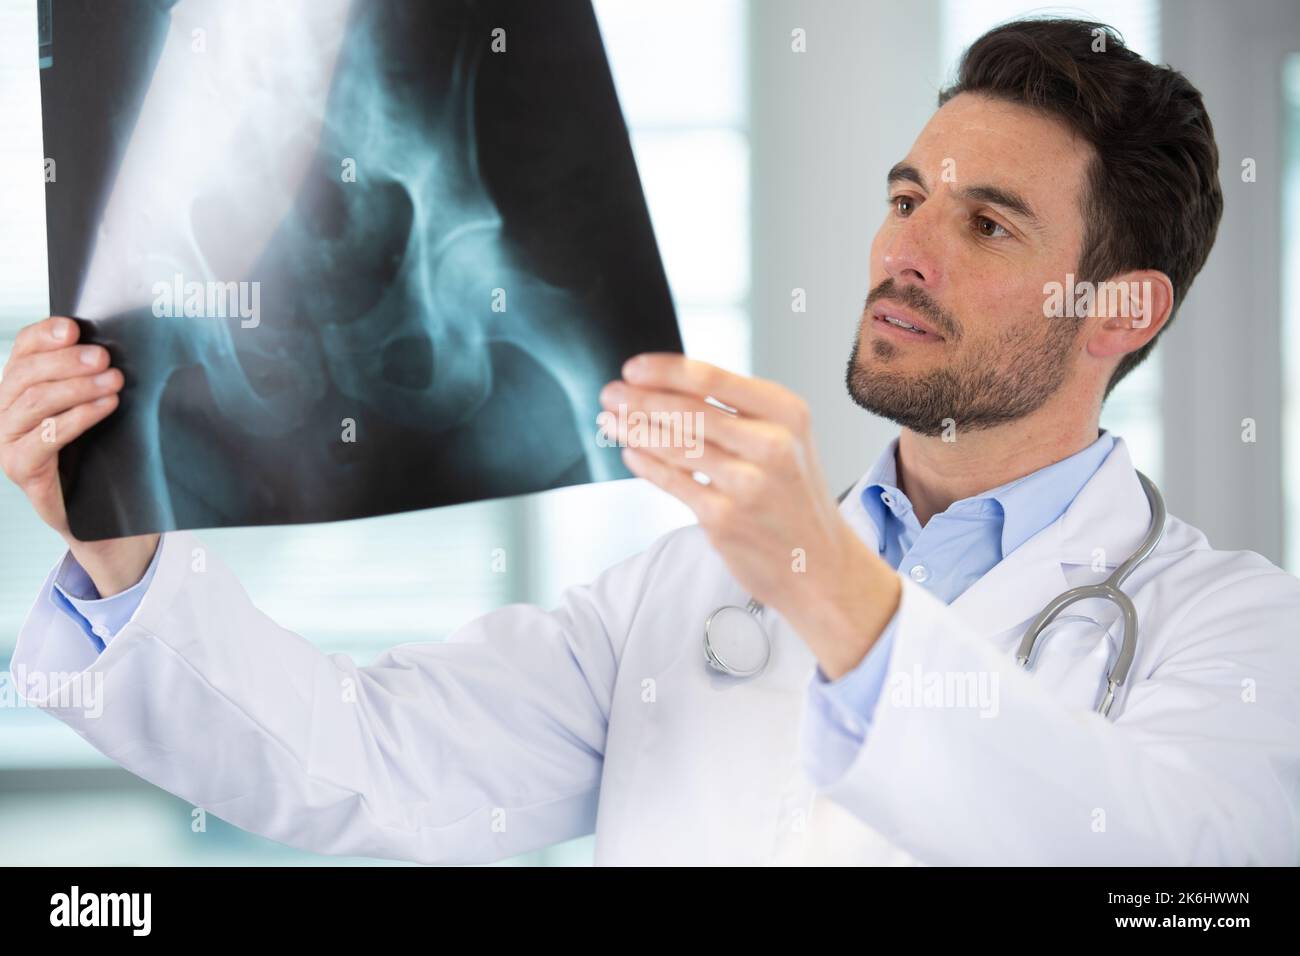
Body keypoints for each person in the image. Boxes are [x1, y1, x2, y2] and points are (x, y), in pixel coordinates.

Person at [4, 18, 1298, 865]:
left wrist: (823, 584)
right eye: (908, 198)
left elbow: (1163, 868)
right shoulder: (684, 595)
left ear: (1119, 312)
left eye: (989, 226)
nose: (902, 252)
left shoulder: (1238, 635)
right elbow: (372, 762)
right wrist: (124, 555)